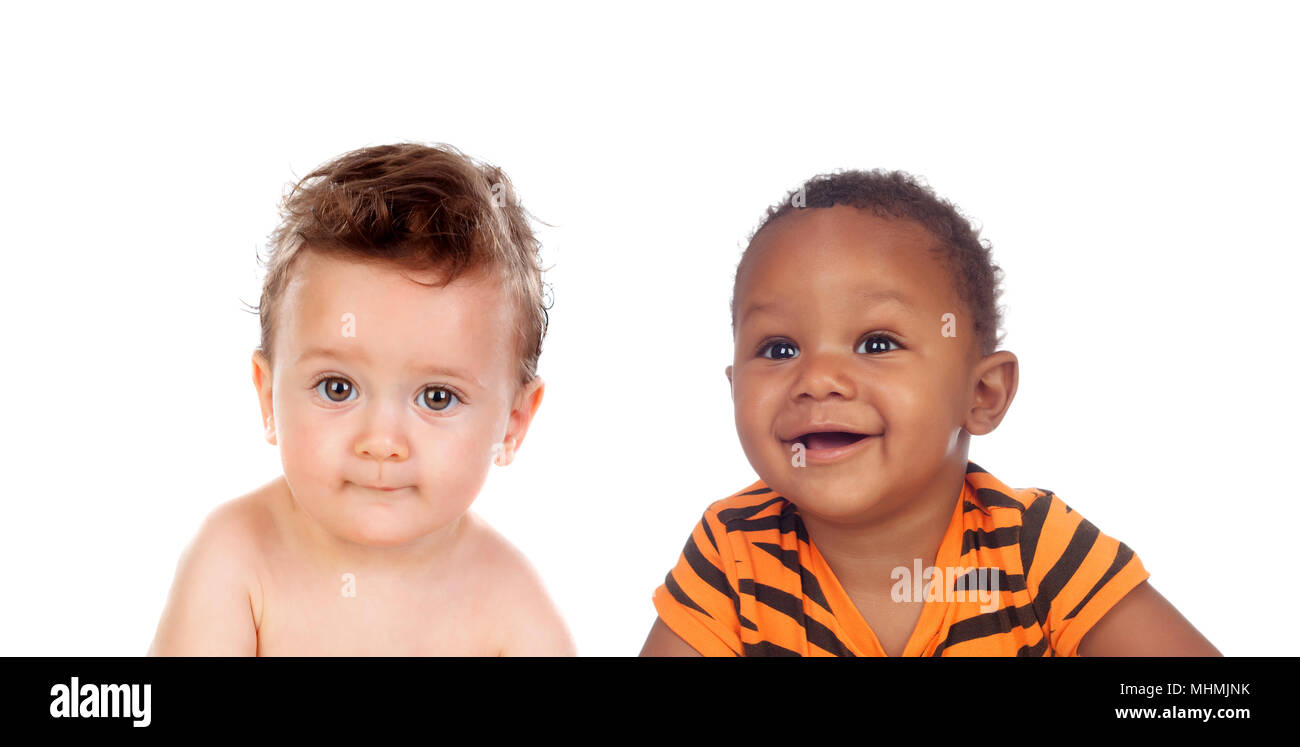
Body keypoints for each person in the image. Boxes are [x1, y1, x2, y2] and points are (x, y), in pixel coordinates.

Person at [641, 170, 1218, 656]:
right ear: (733, 385)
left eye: (876, 343)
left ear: (983, 394)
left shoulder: (1033, 550)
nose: (816, 379)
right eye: (779, 350)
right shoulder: (733, 553)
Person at [149, 143, 575, 655]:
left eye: (437, 397)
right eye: (338, 388)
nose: (381, 443)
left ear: (513, 423)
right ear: (268, 396)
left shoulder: (515, 611)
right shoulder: (237, 557)